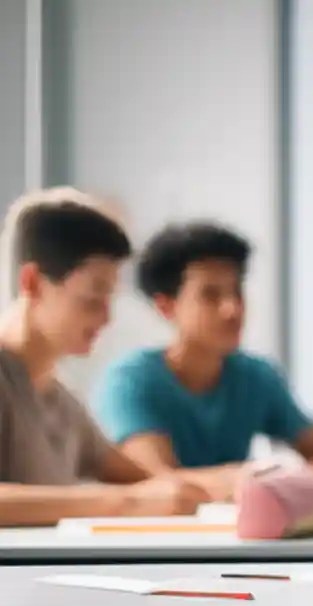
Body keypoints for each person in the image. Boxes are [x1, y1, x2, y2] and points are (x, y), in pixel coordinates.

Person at [0, 188, 213, 526]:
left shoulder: (60, 399)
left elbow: (149, 483)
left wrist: (234, 481)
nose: (106, 318)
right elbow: (132, 497)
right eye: (93, 297)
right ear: (33, 283)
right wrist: (124, 503)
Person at [94, 222, 313, 484]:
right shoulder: (130, 380)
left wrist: (278, 481)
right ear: (166, 307)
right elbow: (159, 481)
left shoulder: (257, 376)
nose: (232, 309)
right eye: (210, 295)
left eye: (237, 292)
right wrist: (260, 478)